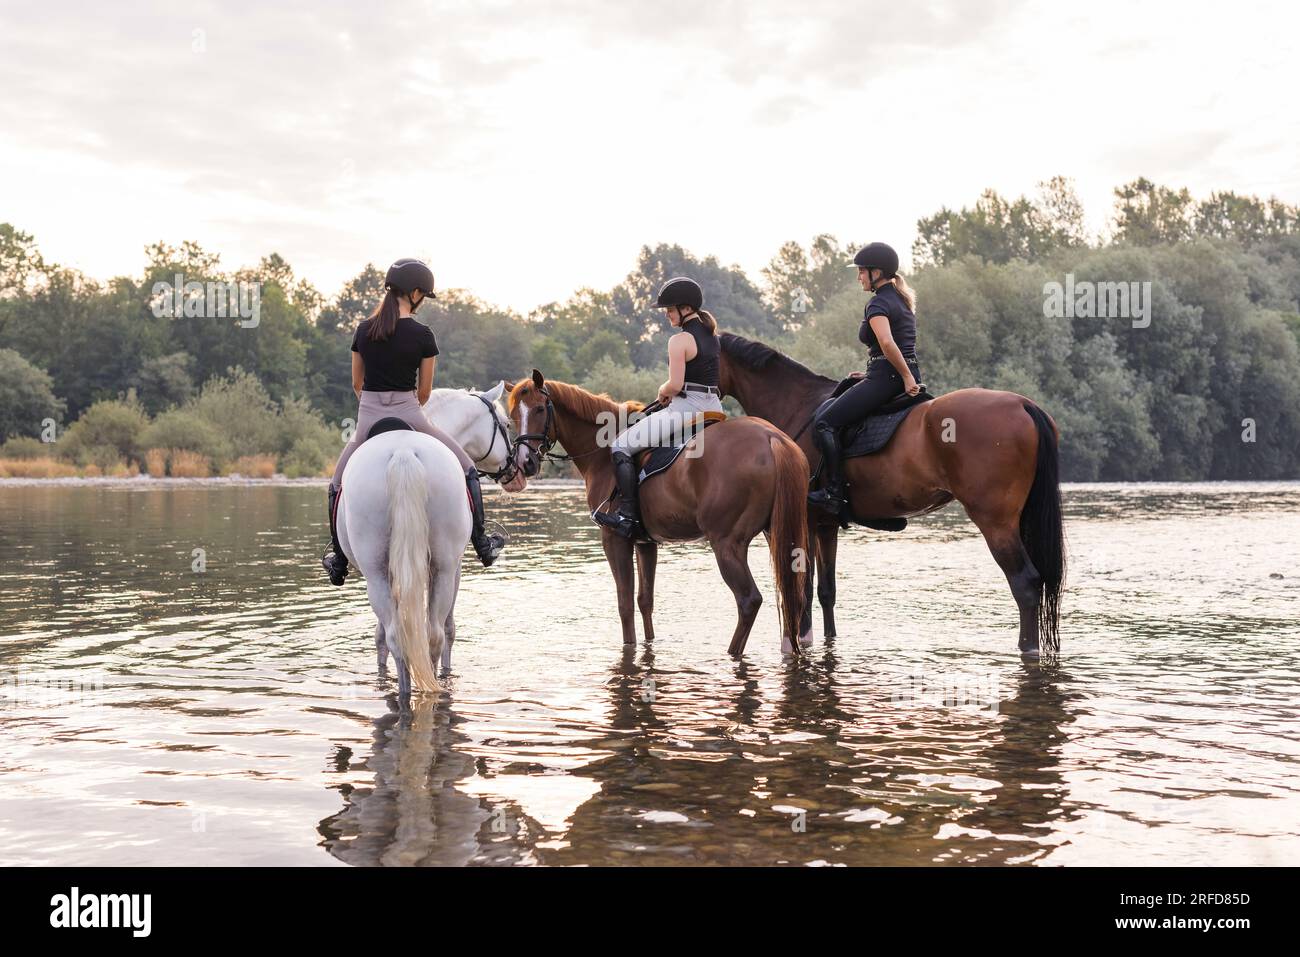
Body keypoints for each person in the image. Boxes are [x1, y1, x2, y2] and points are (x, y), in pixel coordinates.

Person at [321, 258, 506, 585]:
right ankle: (482, 543)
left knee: (337, 483)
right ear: (416, 292)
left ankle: (338, 558)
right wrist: (405, 406)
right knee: (465, 468)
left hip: (368, 418)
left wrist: (374, 407)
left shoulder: (363, 330)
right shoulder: (423, 335)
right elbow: (424, 391)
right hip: (410, 414)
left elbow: (356, 384)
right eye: (424, 295)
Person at [593, 277, 724, 538]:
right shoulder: (713, 338)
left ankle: (627, 516)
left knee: (619, 445)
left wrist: (662, 391)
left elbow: (675, 384)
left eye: (669, 309)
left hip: (686, 409)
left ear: (685, 308)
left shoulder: (679, 341)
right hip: (715, 408)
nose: (666, 314)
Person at [806, 242, 922, 515]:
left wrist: (904, 377)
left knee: (825, 422)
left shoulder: (879, 302)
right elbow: (892, 347)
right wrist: (871, 373)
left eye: (861, 272)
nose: (858, 277)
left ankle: (833, 494)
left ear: (876, 272)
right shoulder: (901, 299)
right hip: (888, 373)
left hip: (890, 376)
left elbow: (887, 342)